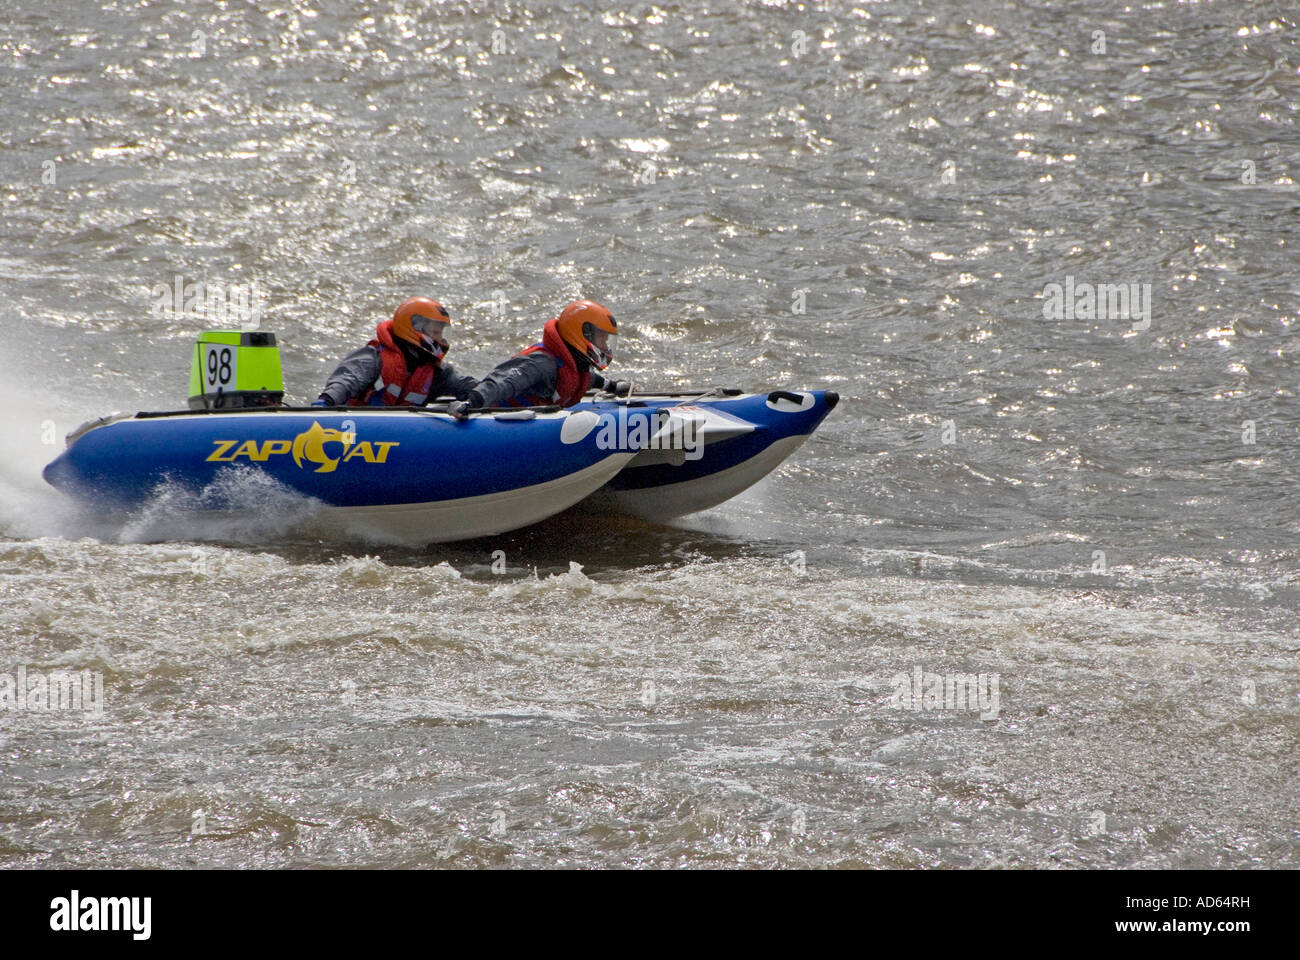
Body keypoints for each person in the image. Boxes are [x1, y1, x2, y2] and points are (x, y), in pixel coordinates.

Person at [447, 299, 630, 418]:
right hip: (488, 407)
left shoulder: (573, 366)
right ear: (584, 334)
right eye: (602, 339)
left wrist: (613, 386)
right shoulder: (542, 364)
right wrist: (471, 403)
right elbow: (503, 381)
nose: (605, 346)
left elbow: (591, 380)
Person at [312, 297, 477, 407]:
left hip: (402, 437)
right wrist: (327, 401)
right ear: (414, 329)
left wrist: (487, 395)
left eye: (441, 333)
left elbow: (466, 386)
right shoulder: (373, 358)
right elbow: (346, 380)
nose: (440, 340)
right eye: (435, 333)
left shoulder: (438, 372)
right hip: (358, 432)